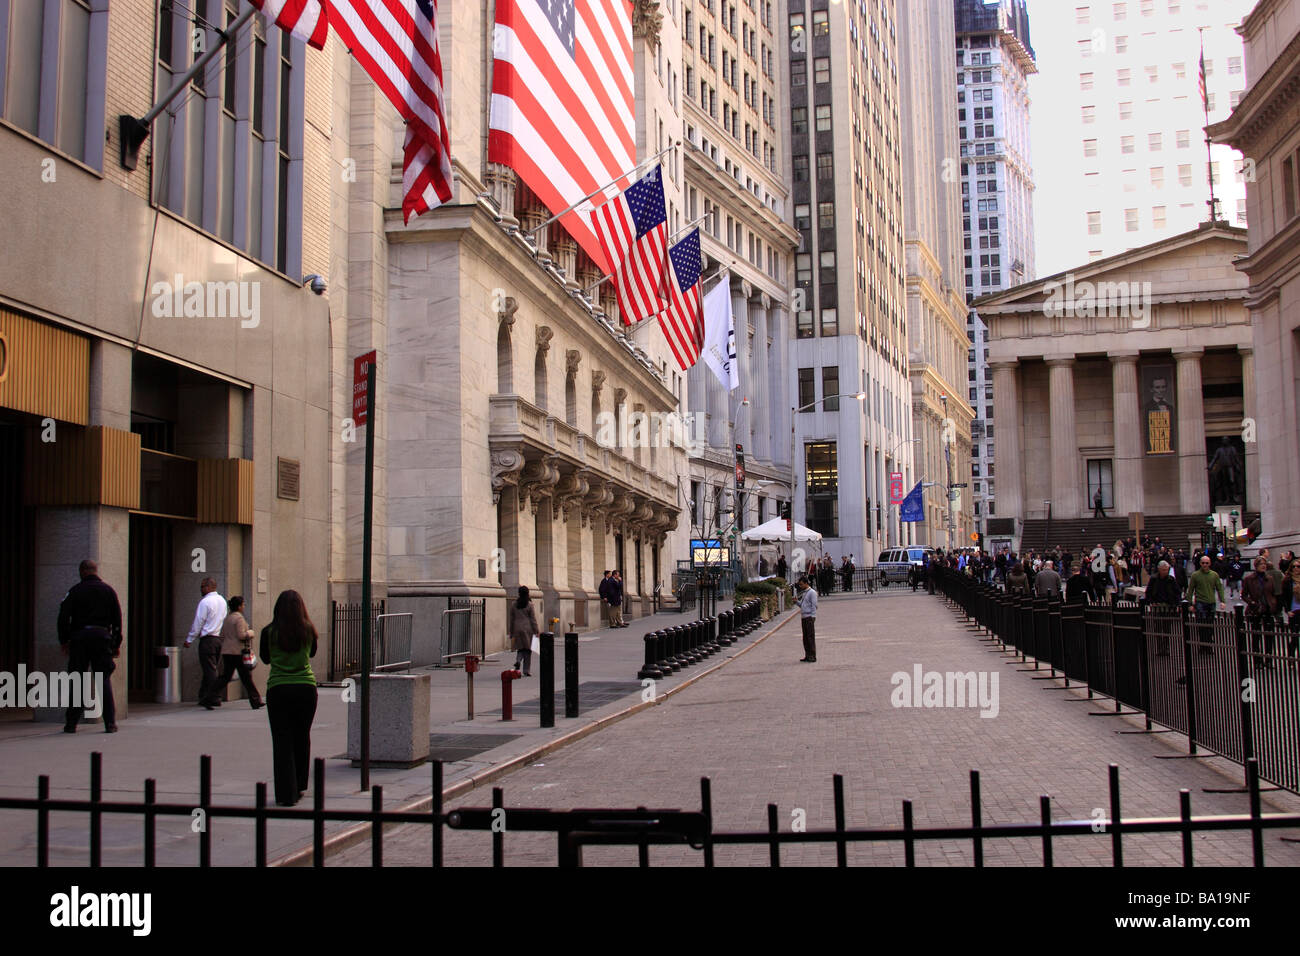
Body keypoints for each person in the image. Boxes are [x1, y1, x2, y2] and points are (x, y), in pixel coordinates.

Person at [258, 590, 319, 807]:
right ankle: (300, 784)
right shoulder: (309, 630)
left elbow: (265, 658)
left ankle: (286, 793)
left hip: (279, 688)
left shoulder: (269, 632)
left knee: (282, 740)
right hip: (305, 688)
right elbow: (312, 654)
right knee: (302, 736)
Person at [57, 559, 122, 734]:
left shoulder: (75, 591)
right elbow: (117, 620)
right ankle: (110, 723)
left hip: (80, 638)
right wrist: (116, 643)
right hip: (102, 637)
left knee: (77, 680)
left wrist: (64, 640)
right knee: (103, 679)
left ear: (83, 571)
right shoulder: (109, 591)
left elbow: (63, 617)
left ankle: (71, 723)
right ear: (95, 570)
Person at [186, 577, 228, 710]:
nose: (201, 589)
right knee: (210, 668)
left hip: (207, 640)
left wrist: (189, 639)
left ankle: (213, 697)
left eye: (202, 586)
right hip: (218, 639)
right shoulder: (222, 601)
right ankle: (203, 695)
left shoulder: (205, 602)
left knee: (210, 670)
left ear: (209, 587)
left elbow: (198, 622)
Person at [214, 596, 263, 709]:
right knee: (246, 678)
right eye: (243, 604)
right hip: (237, 652)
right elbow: (241, 635)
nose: (244, 606)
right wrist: (250, 633)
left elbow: (222, 635)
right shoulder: (239, 619)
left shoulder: (228, 618)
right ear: (239, 606)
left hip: (227, 651)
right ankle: (255, 700)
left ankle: (209, 695)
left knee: (226, 676)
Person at [1185, 554, 1226, 656]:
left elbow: (1219, 588)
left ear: (1210, 564)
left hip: (1211, 602)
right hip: (1200, 602)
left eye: (1207, 563)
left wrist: (1222, 601)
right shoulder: (1195, 575)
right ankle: (1203, 646)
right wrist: (1190, 604)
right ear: (1200, 563)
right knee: (1202, 625)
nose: (1205, 565)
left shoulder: (1214, 575)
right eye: (1203, 563)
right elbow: (1190, 590)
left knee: (1210, 626)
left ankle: (1208, 646)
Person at [1242, 556, 1280, 662]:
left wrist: (1273, 603)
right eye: (1260, 564)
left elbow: (1273, 593)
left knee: (1269, 637)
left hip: (1268, 609)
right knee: (1256, 636)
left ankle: (1268, 660)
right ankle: (1257, 661)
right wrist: (1251, 602)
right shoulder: (1249, 579)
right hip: (1256, 610)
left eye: (1264, 564)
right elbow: (1244, 595)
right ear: (1256, 566)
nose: (1263, 566)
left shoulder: (1269, 579)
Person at [508, 585, 538, 676]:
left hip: (517, 628)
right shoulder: (529, 604)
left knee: (520, 648)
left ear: (519, 593)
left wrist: (511, 632)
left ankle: (518, 660)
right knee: (527, 649)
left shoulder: (514, 604)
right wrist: (536, 630)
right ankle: (526, 670)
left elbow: (511, 619)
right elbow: (533, 619)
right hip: (527, 629)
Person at [794, 576, 818, 663]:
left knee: (810, 637)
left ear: (806, 583)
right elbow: (803, 605)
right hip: (804, 616)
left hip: (809, 617)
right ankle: (807, 655)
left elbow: (814, 605)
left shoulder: (812, 593)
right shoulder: (805, 593)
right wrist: (796, 602)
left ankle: (812, 655)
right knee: (805, 637)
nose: (800, 586)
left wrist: (813, 616)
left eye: (801, 584)